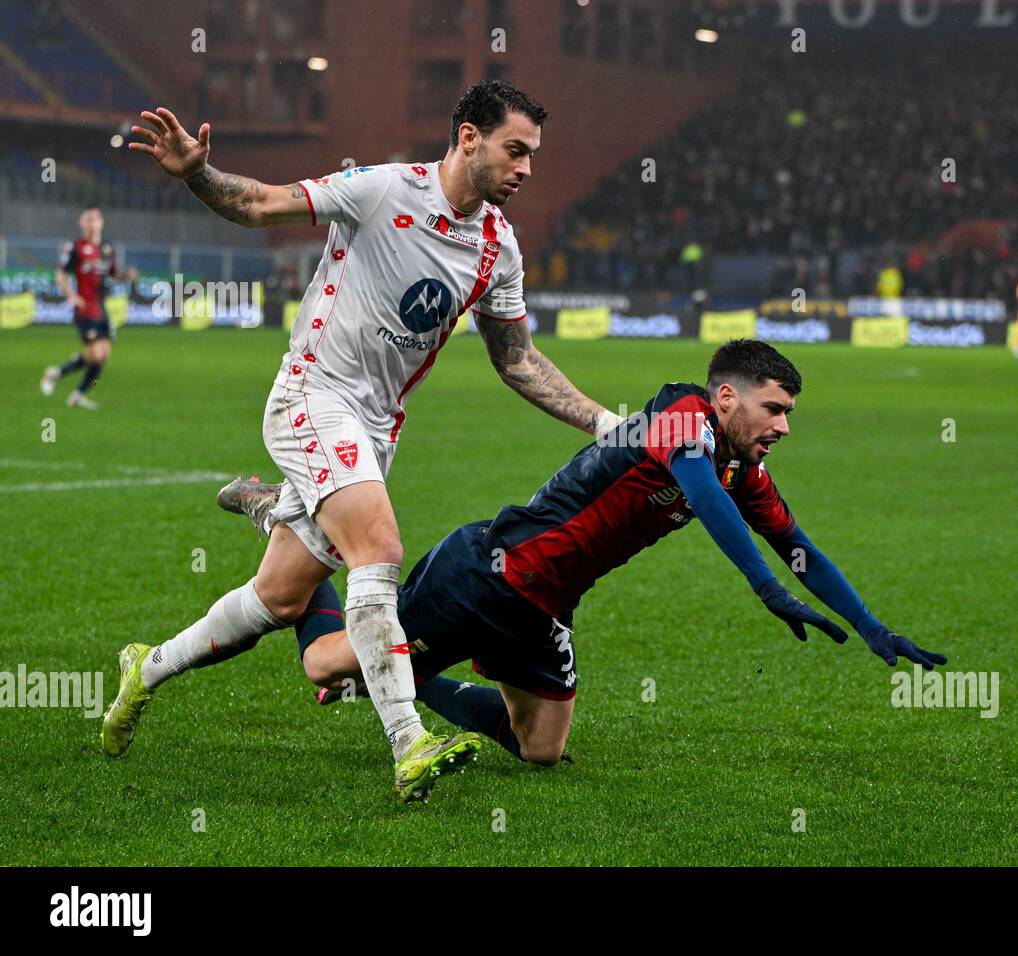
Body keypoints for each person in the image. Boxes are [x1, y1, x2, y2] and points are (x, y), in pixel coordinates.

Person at [101, 80, 623, 802]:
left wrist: (605, 423)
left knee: (279, 601)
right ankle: (408, 743)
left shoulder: (498, 249)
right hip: (311, 396)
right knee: (378, 550)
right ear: (468, 137)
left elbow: (518, 361)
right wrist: (197, 173)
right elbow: (260, 203)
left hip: (375, 428)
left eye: (532, 154)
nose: (527, 168)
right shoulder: (382, 189)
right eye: (516, 149)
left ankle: (146, 667)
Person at [224, 340, 947, 767]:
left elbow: (799, 549)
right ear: (727, 397)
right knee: (327, 666)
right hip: (488, 572)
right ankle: (297, 538)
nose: (785, 426)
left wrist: (872, 626)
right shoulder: (679, 419)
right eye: (777, 409)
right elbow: (702, 495)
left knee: (540, 750)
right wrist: (764, 589)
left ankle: (415, 679)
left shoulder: (739, 468)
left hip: (545, 605)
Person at [41, 206, 138, 409]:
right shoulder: (75, 247)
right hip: (85, 309)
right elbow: (61, 274)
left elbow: (113, 273)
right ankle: (57, 375)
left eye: (97, 217)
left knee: (102, 356)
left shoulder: (107, 248)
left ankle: (73, 391)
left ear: (102, 222)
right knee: (97, 354)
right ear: (82, 223)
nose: (93, 220)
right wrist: (72, 296)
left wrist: (125, 275)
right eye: (89, 217)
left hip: (101, 309)